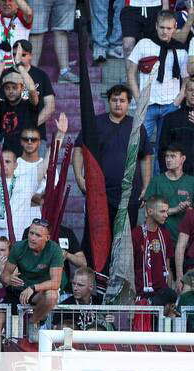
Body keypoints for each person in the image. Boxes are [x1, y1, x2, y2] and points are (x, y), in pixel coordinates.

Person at [72, 84, 153, 227]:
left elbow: (146, 157)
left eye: (122, 101)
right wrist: (79, 177)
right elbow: (78, 149)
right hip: (99, 192)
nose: (118, 104)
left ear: (129, 103)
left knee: (126, 240)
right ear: (108, 101)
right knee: (98, 239)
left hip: (129, 194)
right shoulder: (95, 123)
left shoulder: (137, 126)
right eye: (114, 100)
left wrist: (146, 187)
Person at [126, 11, 188, 160]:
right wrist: (139, 98)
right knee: (139, 148)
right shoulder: (144, 44)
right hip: (147, 105)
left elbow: (186, 79)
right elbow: (130, 73)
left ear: (175, 28)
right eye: (161, 27)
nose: (164, 31)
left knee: (165, 150)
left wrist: (179, 98)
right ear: (156, 26)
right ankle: (139, 182)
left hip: (171, 106)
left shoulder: (180, 49)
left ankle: (157, 182)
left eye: (168, 28)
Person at [1, 220, 64, 342]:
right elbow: (4, 277)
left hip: (39, 291)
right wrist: (9, 279)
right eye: (31, 233)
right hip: (18, 291)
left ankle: (33, 322)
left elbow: (56, 283)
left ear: (47, 238)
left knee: (52, 296)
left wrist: (33, 288)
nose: (33, 238)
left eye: (38, 235)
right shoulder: (18, 247)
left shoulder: (55, 250)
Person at [133, 196, 178, 306]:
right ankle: (149, 303)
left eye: (166, 211)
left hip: (161, 293)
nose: (166, 215)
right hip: (141, 291)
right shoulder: (136, 233)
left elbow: (167, 267)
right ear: (150, 211)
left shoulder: (165, 234)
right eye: (162, 211)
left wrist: (168, 286)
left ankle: (152, 303)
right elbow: (129, 266)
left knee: (172, 295)